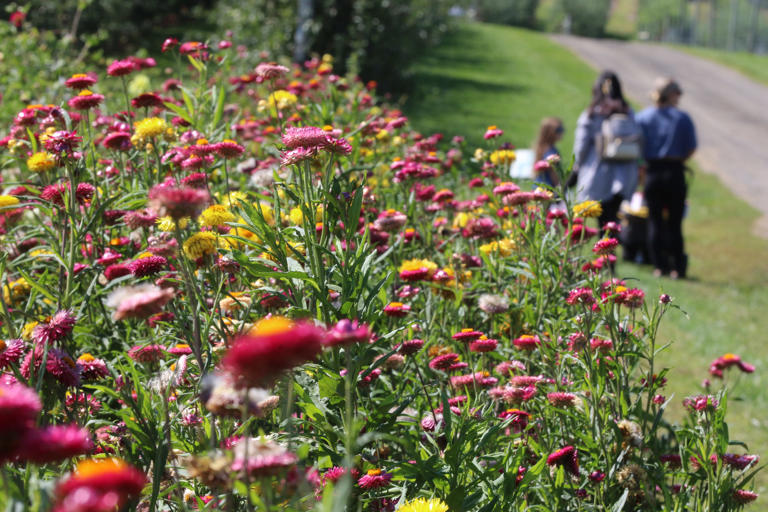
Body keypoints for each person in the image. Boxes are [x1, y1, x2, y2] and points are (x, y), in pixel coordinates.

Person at [635, 78, 697, 279]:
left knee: (654, 221)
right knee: (675, 223)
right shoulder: (682, 118)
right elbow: (691, 147)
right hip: (675, 171)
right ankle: (677, 267)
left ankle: (659, 265)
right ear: (671, 94)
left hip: (652, 171)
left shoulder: (643, 117)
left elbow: (638, 147)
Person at [571, 71, 639, 229]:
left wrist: (577, 166)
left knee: (602, 220)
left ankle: (604, 250)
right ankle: (611, 248)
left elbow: (581, 145)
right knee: (613, 219)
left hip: (598, 173)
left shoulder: (592, 113)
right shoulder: (628, 111)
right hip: (625, 173)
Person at [533, 117, 564, 187]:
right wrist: (560, 189)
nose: (562, 132)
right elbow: (554, 174)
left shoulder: (542, 148)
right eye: (559, 130)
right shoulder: (551, 152)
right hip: (548, 189)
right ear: (550, 133)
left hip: (539, 187)